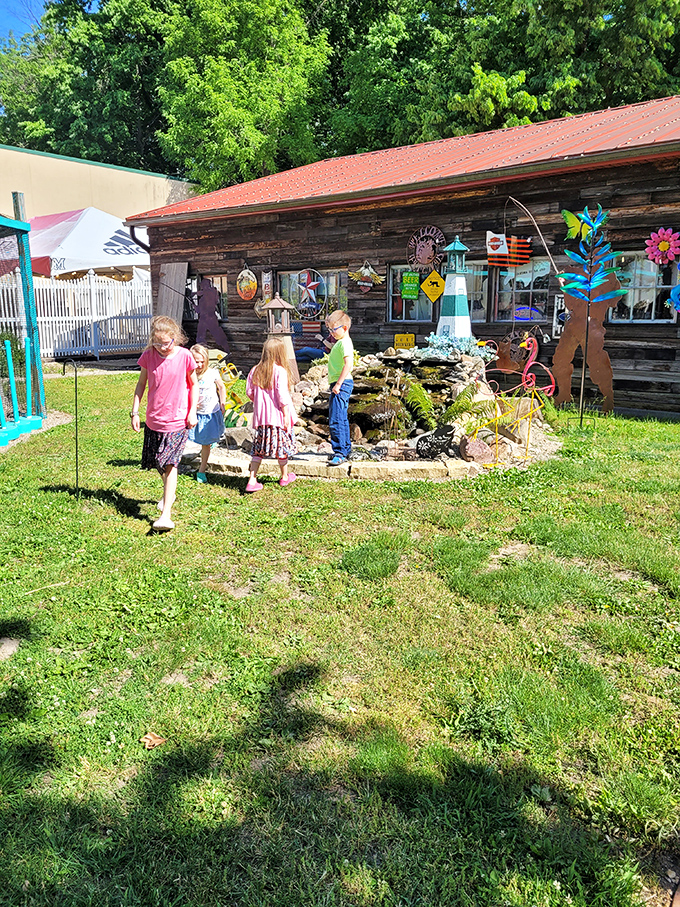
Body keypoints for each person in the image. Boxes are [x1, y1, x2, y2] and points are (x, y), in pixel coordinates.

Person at [130, 316, 198, 531]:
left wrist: (192, 411)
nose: (161, 348)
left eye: (165, 343)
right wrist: (135, 412)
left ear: (175, 338)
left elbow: (194, 384)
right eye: (157, 343)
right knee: (158, 462)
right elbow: (141, 384)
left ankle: (165, 514)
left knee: (170, 465)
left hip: (177, 420)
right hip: (153, 420)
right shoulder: (149, 356)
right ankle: (171, 491)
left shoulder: (185, 357)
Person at [245, 337, 297, 492]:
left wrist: (261, 402)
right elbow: (282, 396)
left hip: (262, 420)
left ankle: (252, 480)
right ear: (280, 353)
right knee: (282, 448)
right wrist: (286, 415)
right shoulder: (280, 371)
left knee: (258, 450)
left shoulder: (255, 370)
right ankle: (285, 477)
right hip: (278, 418)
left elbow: (249, 392)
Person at [188, 344, 226, 483]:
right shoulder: (188, 374)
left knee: (206, 442)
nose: (198, 365)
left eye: (202, 361)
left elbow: (221, 387)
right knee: (195, 437)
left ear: (207, 360)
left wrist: (223, 403)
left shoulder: (212, 373)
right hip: (195, 413)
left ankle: (202, 470)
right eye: (196, 361)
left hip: (210, 411)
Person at [325, 309, 354, 465]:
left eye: (334, 329)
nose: (332, 332)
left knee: (336, 418)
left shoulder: (344, 343)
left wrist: (338, 384)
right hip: (340, 383)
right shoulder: (341, 342)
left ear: (345, 328)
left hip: (341, 384)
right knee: (341, 417)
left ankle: (340, 453)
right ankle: (345, 449)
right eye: (330, 329)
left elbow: (348, 364)